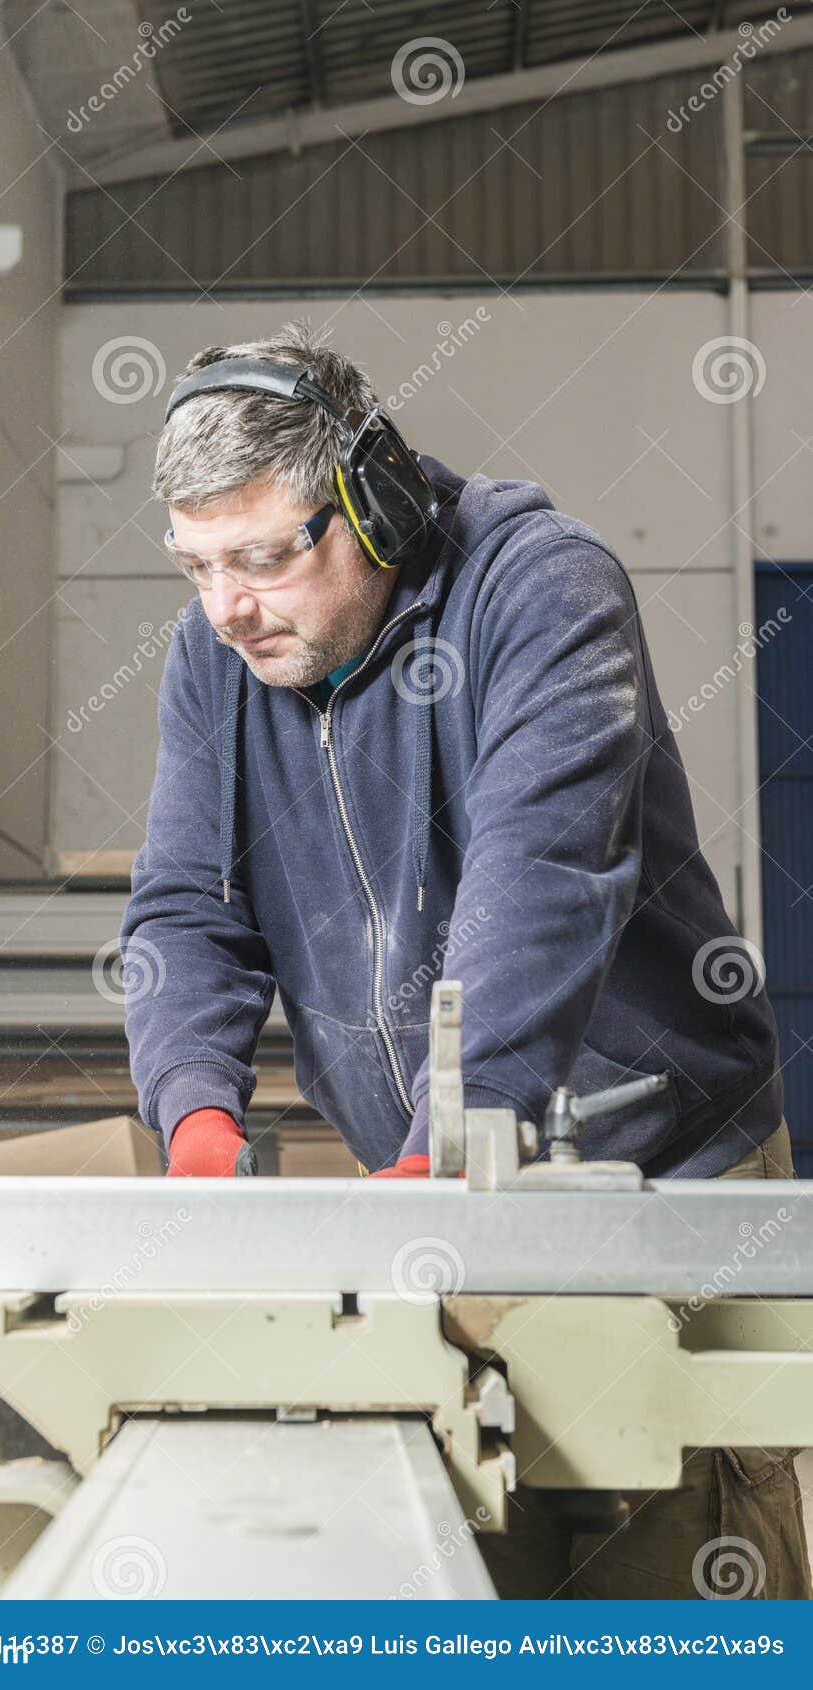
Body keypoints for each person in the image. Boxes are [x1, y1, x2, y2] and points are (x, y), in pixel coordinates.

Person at [120, 324, 809, 1597]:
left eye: (263, 558)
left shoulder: (542, 592)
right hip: (432, 1200)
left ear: (372, 505)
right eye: (197, 566)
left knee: (679, 1589)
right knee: (479, 1568)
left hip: (657, 1179)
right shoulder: (213, 666)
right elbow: (185, 910)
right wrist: (196, 1119)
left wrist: (454, 1134)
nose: (229, 609)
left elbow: (541, 877)